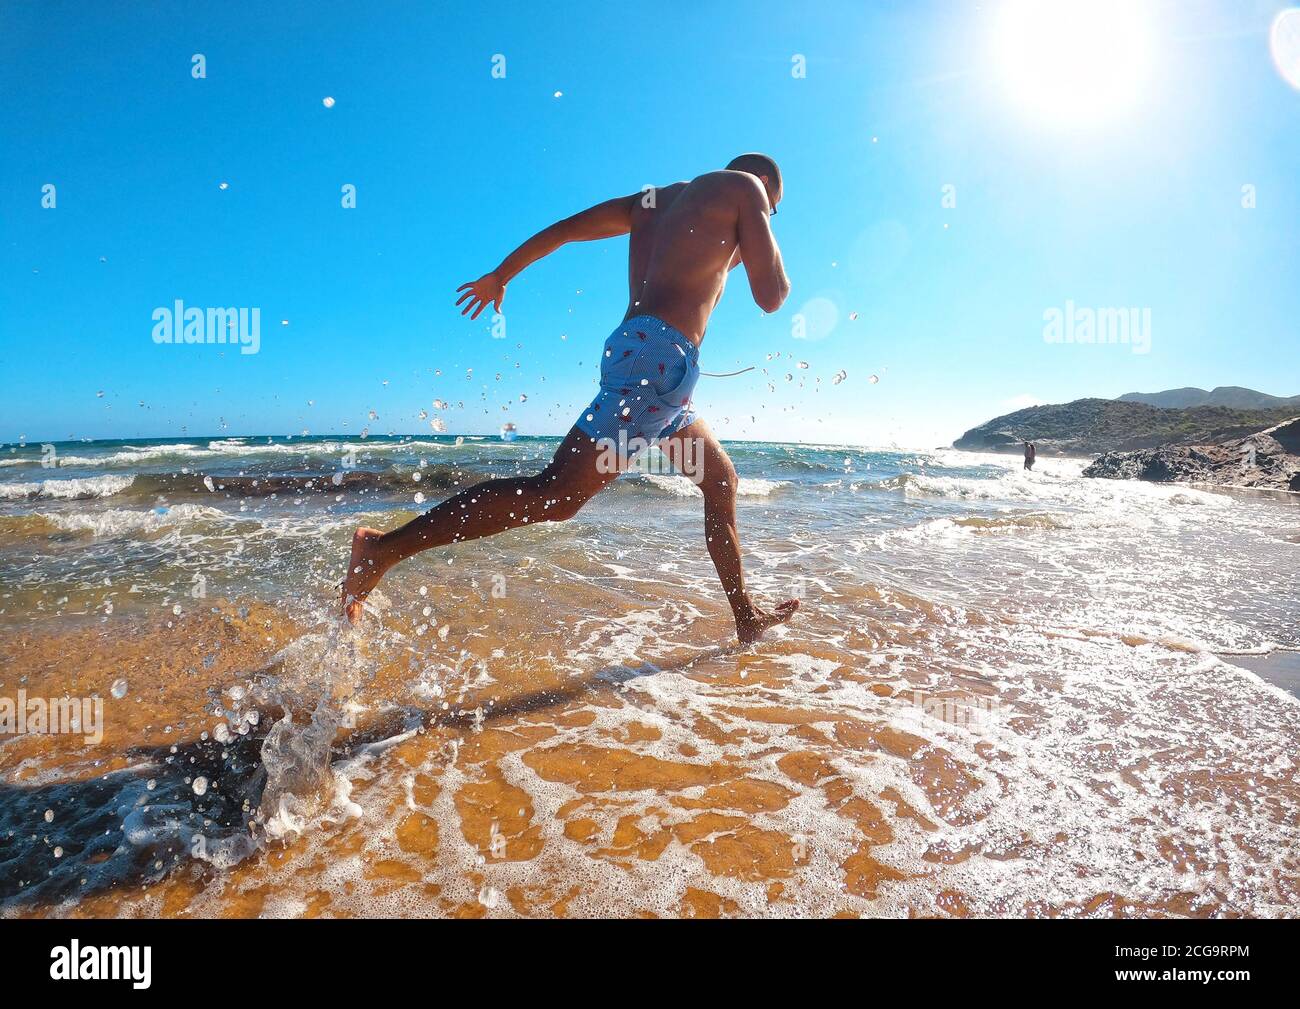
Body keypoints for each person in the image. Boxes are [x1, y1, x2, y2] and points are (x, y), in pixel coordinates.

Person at [342, 153, 799, 644]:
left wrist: (502, 275)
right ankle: (384, 550)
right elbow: (771, 295)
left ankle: (744, 615)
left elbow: (566, 229)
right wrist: (763, 222)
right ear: (767, 184)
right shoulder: (747, 187)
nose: (767, 213)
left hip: (647, 359)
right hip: (660, 364)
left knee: (720, 481)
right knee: (557, 495)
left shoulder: (654, 200)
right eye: (774, 208)